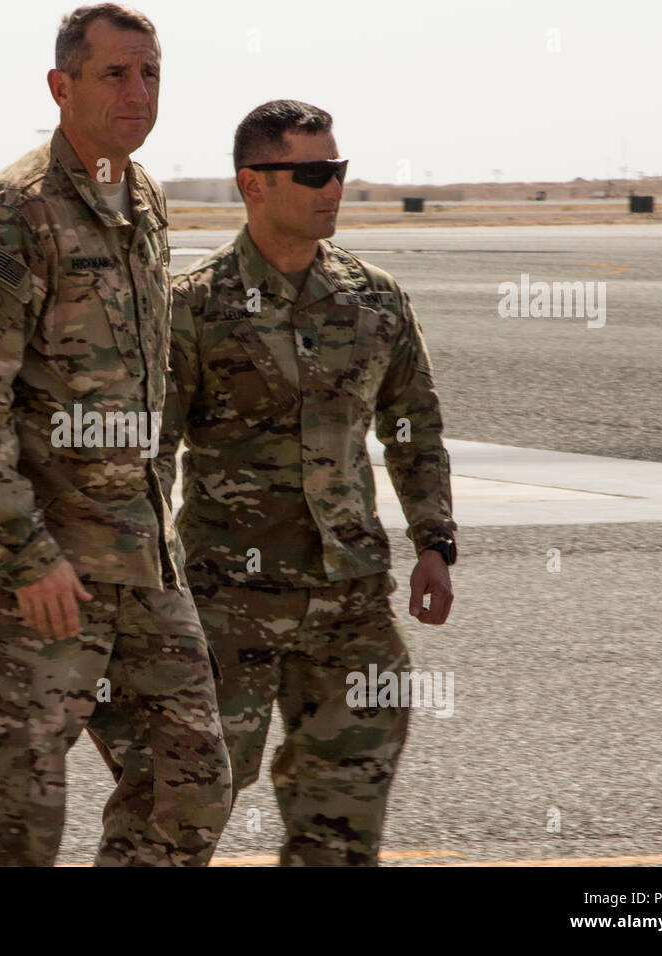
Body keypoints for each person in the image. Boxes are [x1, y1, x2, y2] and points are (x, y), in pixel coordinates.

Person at [0, 3, 232, 866]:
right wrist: (26, 556)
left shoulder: (145, 199)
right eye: (115, 74)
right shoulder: (10, 214)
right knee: (8, 825)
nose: (138, 91)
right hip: (32, 577)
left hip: (137, 562)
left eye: (151, 73)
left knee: (192, 778)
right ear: (61, 87)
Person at [158, 99, 457, 866]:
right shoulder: (193, 307)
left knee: (344, 824)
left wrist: (435, 543)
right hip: (229, 607)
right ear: (252, 184)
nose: (334, 188)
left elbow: (412, 427)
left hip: (351, 602)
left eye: (340, 171)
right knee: (179, 818)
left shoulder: (374, 298)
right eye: (314, 172)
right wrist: (146, 592)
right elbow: (149, 457)